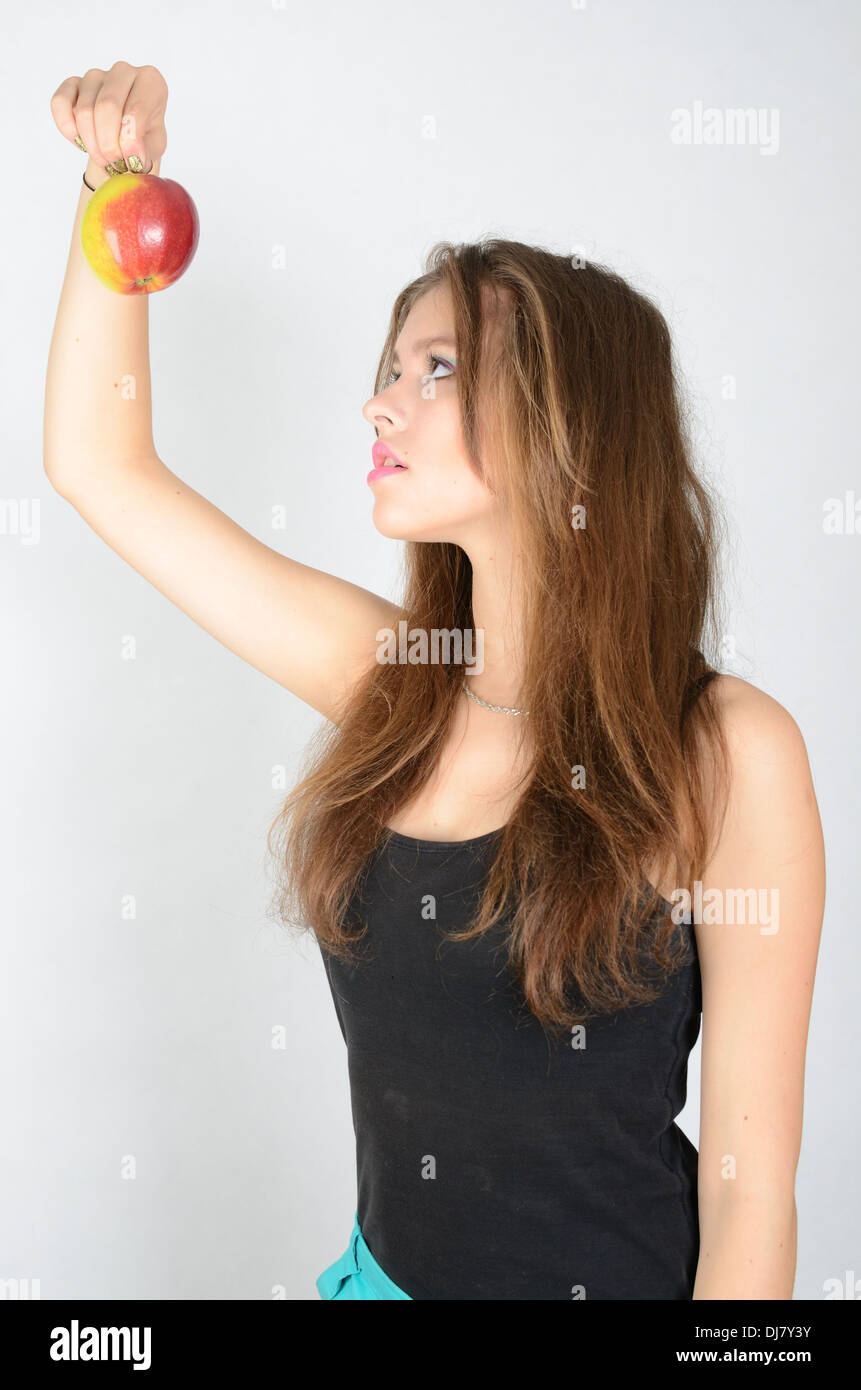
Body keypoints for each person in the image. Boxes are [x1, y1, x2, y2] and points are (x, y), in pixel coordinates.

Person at [45, 62, 826, 1301]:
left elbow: (745, 1190)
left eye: (436, 367)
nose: (379, 402)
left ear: (571, 417)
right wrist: (115, 189)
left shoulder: (729, 752)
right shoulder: (393, 682)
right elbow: (101, 463)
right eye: (390, 366)